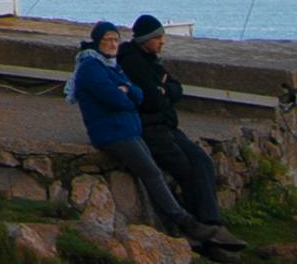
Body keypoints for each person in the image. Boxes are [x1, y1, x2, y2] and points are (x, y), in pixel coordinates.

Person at [66, 21, 239, 251]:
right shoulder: (91, 67)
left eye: (115, 39)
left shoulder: (111, 65)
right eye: (107, 40)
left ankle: (190, 227)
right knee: (153, 173)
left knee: (171, 169)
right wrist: (129, 93)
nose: (112, 44)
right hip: (113, 132)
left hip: (129, 128)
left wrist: (131, 92)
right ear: (97, 42)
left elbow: (137, 93)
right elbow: (122, 99)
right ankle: (186, 224)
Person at [120, 16, 236, 237]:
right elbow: (151, 98)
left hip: (168, 125)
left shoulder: (153, 60)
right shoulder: (132, 62)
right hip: (150, 127)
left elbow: (176, 89)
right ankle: (196, 225)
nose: (162, 42)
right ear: (145, 39)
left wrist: (164, 90)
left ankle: (212, 221)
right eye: (157, 38)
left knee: (202, 161)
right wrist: (162, 91)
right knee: (185, 167)